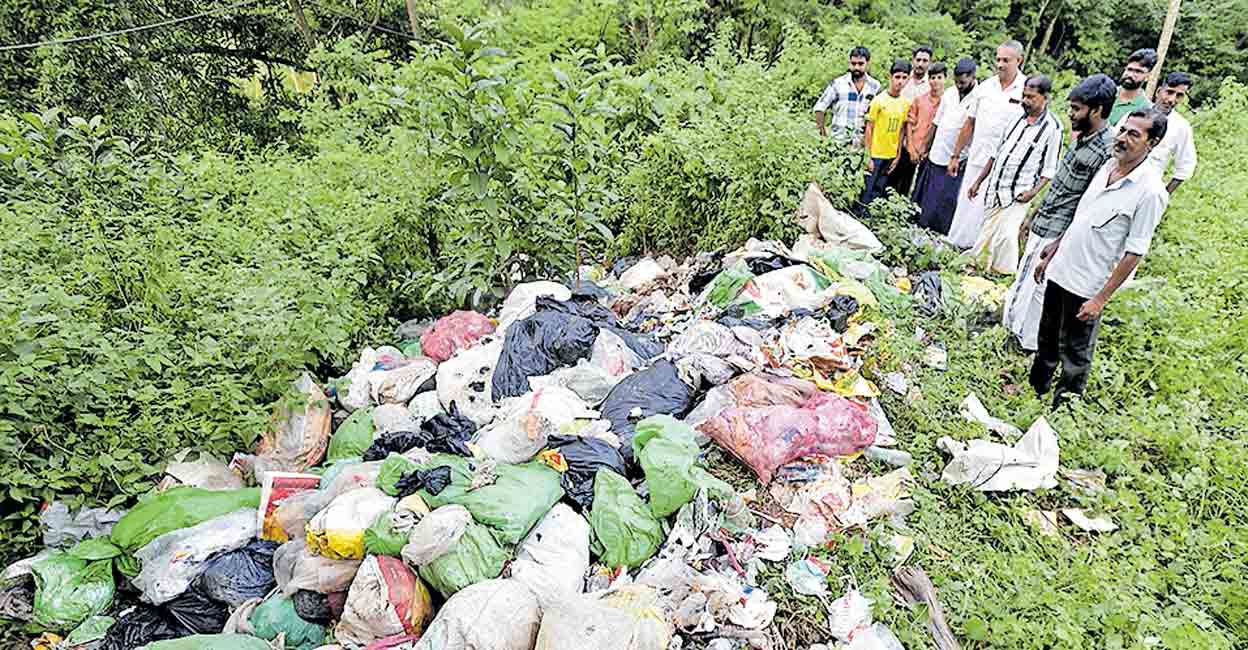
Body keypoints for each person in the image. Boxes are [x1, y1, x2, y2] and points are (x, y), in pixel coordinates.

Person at [1029, 108, 1169, 403]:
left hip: (1088, 283)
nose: (1123, 138)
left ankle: (1064, 409)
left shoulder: (1150, 191)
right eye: (1123, 130)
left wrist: (1100, 299)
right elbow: (1083, 215)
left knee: (1076, 352)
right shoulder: (1107, 167)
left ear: (1152, 143)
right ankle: (1035, 390)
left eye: (1134, 134)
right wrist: (1054, 249)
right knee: (1047, 338)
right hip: (1062, 267)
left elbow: (1134, 252)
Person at [1003, 74, 1117, 351]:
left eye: (1077, 109)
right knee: (1025, 279)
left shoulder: (1106, 150)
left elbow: (1089, 204)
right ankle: (1012, 329)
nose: (1071, 114)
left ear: (1098, 110)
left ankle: (1025, 341)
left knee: (1038, 288)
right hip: (1047, 219)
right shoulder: (1082, 138)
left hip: (1060, 231)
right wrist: (1035, 213)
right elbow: (1062, 185)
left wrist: (1060, 242)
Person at [966, 75, 1062, 274]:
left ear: (1045, 98)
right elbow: (996, 152)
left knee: (1006, 237)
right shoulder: (1015, 118)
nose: (1026, 101)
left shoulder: (1052, 128)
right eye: (1024, 96)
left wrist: (1032, 193)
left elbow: (1049, 170)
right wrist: (979, 181)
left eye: (1031, 97)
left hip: (1019, 192)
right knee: (986, 233)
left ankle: (1004, 275)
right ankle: (979, 270)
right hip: (996, 188)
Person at [946, 40, 1027, 248]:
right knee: (967, 203)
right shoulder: (985, 88)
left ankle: (980, 250)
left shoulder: (1026, 90)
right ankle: (957, 244)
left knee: (992, 209)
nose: (1000, 64)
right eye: (998, 59)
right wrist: (955, 156)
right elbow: (969, 123)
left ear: (1019, 61)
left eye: (1006, 60)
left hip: (1007, 165)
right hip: (978, 157)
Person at [913, 58, 978, 234]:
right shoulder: (949, 93)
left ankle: (939, 233)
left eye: (963, 82)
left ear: (973, 77)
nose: (959, 85)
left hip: (958, 156)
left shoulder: (979, 97)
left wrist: (960, 156)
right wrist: (925, 147)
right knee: (928, 195)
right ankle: (920, 226)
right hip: (937, 151)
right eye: (956, 82)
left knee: (947, 197)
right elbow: (936, 122)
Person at [1114, 71, 1197, 193]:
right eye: (1169, 92)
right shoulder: (1135, 115)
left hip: (1144, 191)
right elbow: (1112, 143)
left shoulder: (1181, 127)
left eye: (1179, 95)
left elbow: (1186, 165)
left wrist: (1164, 195)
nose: (1171, 99)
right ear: (1158, 91)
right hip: (1116, 180)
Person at [861, 60, 913, 209]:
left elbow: (902, 130)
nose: (900, 82)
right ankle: (860, 213)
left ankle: (871, 215)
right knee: (867, 187)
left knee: (880, 187)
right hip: (875, 154)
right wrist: (868, 156)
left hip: (890, 154)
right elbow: (869, 128)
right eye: (897, 77)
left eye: (904, 78)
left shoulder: (904, 103)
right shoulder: (879, 100)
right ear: (890, 77)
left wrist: (897, 155)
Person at [815, 46, 881, 148]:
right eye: (853, 64)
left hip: (862, 145)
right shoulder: (838, 84)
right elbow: (819, 108)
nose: (857, 68)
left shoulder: (875, 86)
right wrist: (823, 136)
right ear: (849, 63)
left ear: (868, 63)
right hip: (838, 143)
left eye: (861, 64)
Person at [892, 56, 941, 195]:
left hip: (927, 151)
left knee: (918, 184)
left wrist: (927, 150)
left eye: (925, 61)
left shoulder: (945, 101)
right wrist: (910, 146)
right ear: (913, 60)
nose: (935, 81)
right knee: (897, 178)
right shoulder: (907, 83)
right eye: (918, 60)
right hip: (905, 142)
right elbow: (910, 122)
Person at [1107, 49, 1157, 124]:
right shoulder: (1107, 92)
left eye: (1138, 71)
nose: (1130, 75)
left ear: (1148, 76)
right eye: (1129, 69)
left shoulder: (1146, 108)